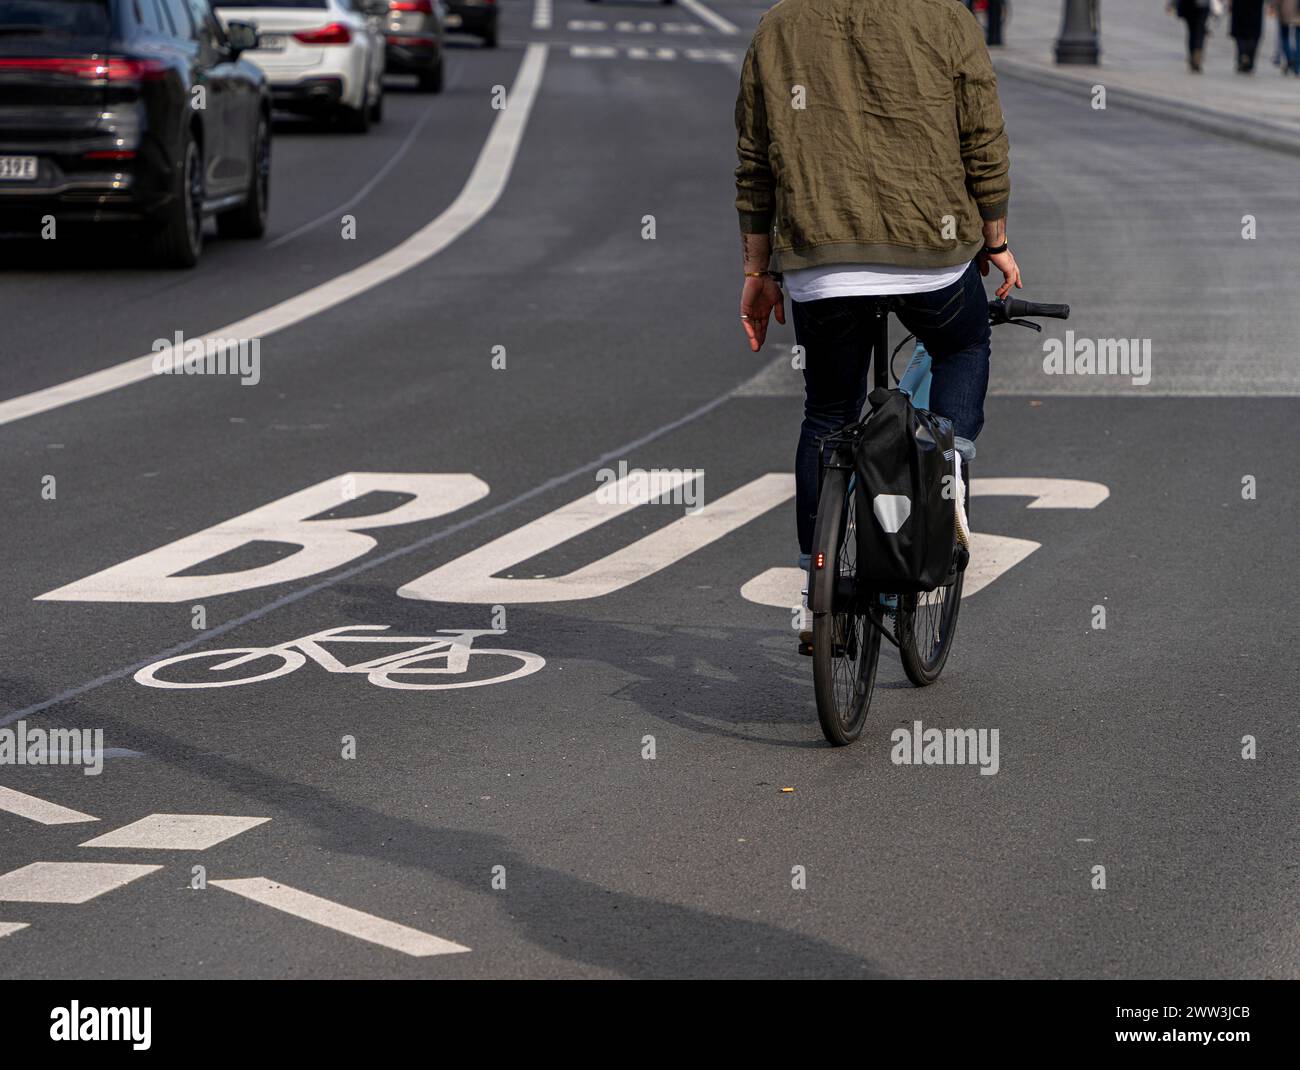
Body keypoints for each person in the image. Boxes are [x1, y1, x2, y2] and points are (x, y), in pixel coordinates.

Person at [734, 0, 1021, 647]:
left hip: (820, 261)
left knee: (827, 416)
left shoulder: (779, 25)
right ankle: (944, 477)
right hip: (931, 257)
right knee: (965, 342)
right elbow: (982, 133)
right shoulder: (944, 15)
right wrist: (995, 238)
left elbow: (755, 159)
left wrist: (758, 271)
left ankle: (823, 596)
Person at [1172, 0, 1213, 72]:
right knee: (1199, 31)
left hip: (1190, 5)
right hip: (1200, 5)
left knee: (1193, 31)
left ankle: (1193, 56)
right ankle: (1196, 56)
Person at [1231, 0, 1267, 71]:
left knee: (1240, 32)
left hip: (1240, 6)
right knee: (1253, 33)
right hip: (1255, 6)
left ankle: (1243, 54)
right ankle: (1249, 57)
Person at [1275, 0, 1300, 74]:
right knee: (1298, 38)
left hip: (1286, 9)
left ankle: (1290, 59)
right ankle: (1296, 64)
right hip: (1296, 9)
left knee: (1284, 36)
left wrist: (1274, 5)